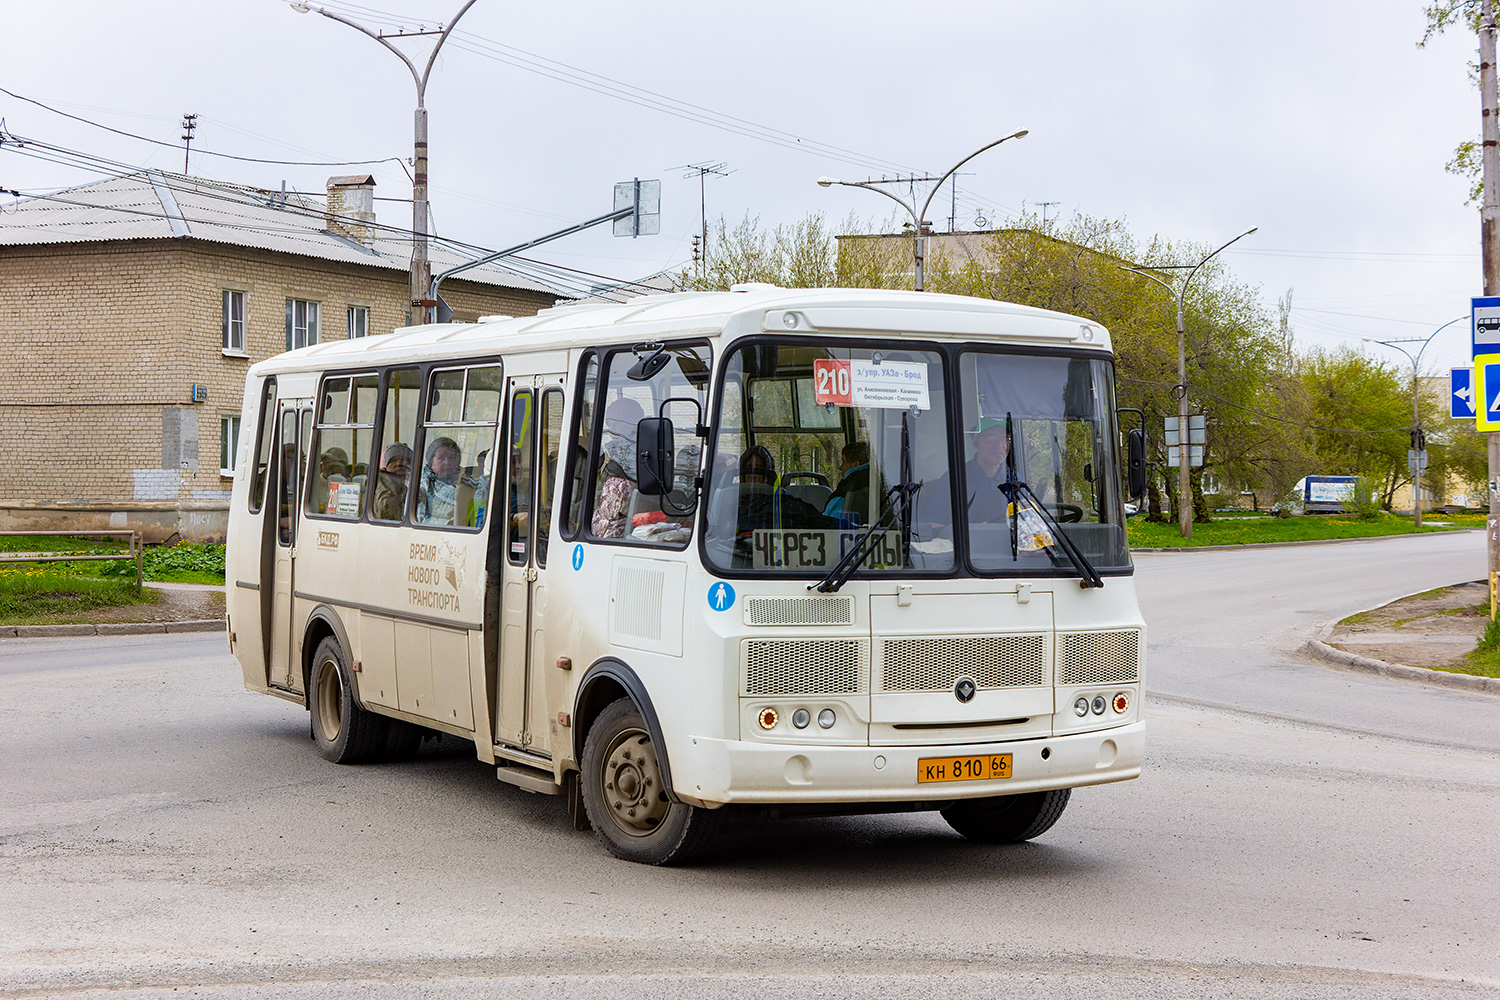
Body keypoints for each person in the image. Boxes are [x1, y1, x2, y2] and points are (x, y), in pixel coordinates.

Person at [737, 445, 834, 531]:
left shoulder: (782, 500)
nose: (753, 473)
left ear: (768, 472)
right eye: (749, 467)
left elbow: (815, 520)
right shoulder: (731, 500)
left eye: (759, 467)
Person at [591, 397, 643, 538]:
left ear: (631, 424)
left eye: (616, 422)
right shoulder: (643, 452)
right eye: (609, 422)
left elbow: (608, 514)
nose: (610, 427)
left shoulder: (623, 459)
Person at [417, 436, 465, 525]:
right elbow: (418, 520)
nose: (447, 462)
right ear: (431, 462)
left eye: (452, 458)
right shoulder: (421, 486)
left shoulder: (468, 483)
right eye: (440, 458)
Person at [823, 440, 871, 517]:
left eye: (844, 462)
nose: (840, 467)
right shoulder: (875, 485)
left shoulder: (845, 492)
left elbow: (827, 522)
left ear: (855, 465)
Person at [372, 442, 412, 521]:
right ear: (386, 464)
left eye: (403, 460)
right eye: (394, 460)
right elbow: (386, 506)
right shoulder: (379, 481)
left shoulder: (413, 478)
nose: (399, 463)